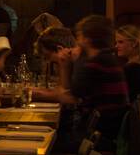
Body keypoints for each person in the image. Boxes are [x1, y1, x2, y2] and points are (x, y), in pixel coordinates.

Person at [34, 15, 128, 147]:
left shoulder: (95, 63)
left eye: (79, 37)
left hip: (98, 136)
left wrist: (33, 94)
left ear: (87, 39)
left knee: (44, 142)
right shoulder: (105, 59)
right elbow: (70, 94)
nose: (76, 42)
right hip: (101, 130)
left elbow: (68, 97)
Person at [115, 24, 140, 99]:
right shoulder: (137, 67)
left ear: (134, 43)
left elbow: (123, 99)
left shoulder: (134, 69)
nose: (116, 46)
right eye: (116, 42)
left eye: (120, 42)